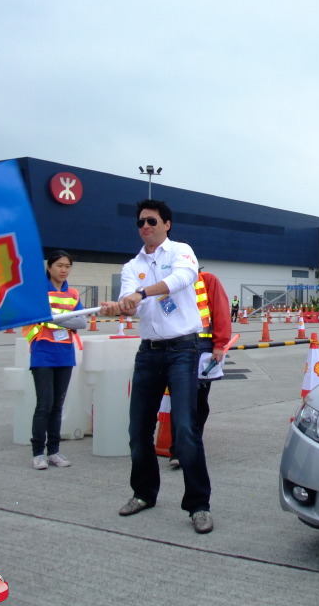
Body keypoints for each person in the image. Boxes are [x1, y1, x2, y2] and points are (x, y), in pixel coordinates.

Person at [99, 200, 214, 534]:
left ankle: (198, 505)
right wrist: (117, 308)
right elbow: (129, 308)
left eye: (151, 221)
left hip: (183, 349)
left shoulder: (180, 251)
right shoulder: (131, 265)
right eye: (140, 223)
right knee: (137, 431)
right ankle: (144, 493)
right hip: (148, 352)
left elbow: (184, 278)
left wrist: (141, 293)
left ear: (167, 224)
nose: (145, 226)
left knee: (185, 429)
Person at [25, 250, 87, 470]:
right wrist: (67, 318)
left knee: (58, 406)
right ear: (49, 267)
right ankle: (37, 453)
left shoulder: (72, 294)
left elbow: (81, 323)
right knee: (44, 405)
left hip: (65, 354)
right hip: (42, 353)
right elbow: (32, 317)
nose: (63, 270)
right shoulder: (37, 291)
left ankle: (54, 451)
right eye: (59, 265)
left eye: (67, 266)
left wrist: (56, 319)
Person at [169, 268, 230, 470]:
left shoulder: (207, 280)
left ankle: (191, 444)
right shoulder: (167, 282)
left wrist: (219, 345)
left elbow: (220, 311)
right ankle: (178, 449)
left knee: (199, 401)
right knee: (179, 400)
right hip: (175, 347)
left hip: (202, 347)